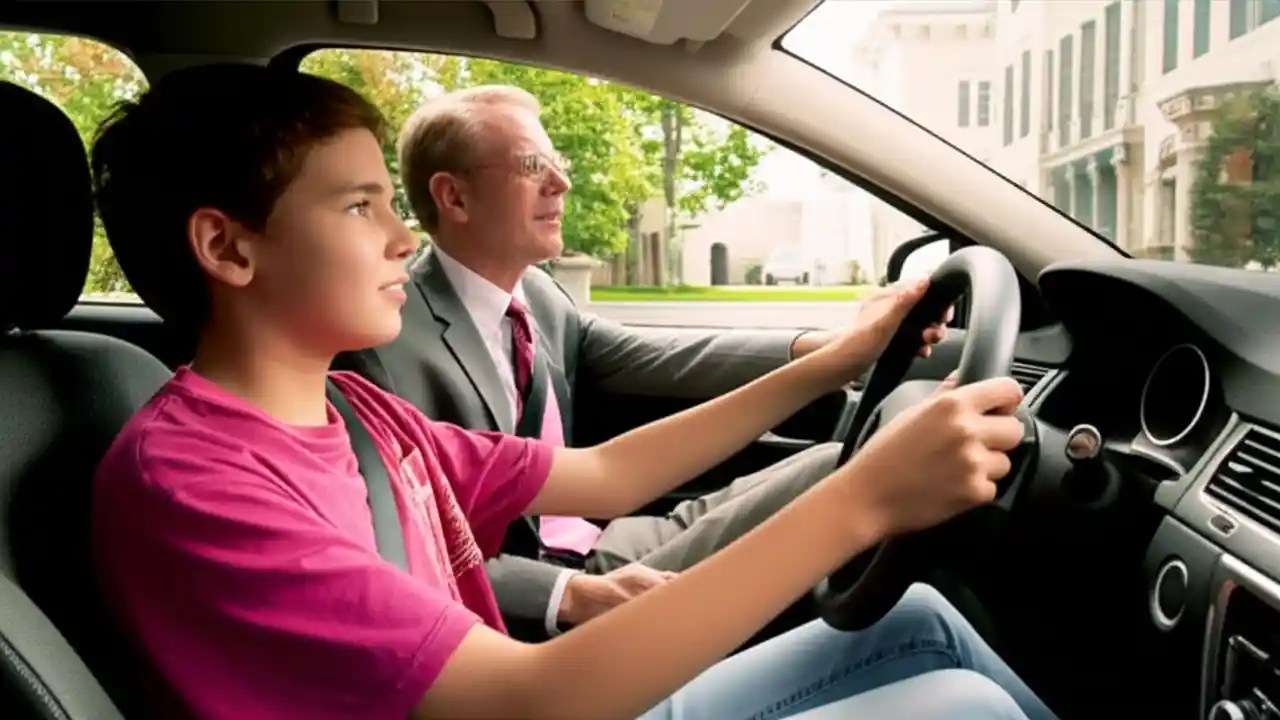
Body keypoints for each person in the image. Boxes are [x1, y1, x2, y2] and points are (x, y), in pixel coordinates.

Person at [90, 63, 1056, 720]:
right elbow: (531, 700)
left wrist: (838, 359)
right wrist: (865, 499)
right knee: (956, 706)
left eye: (393, 202)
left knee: (920, 620)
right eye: (359, 207)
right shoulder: (194, 483)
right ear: (227, 247)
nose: (402, 237)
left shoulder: (357, 410)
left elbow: (601, 475)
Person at [341, 84, 856, 637]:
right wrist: (572, 595)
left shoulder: (540, 297)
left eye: (556, 162)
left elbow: (671, 357)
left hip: (601, 540)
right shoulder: (383, 346)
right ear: (455, 198)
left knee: (833, 459)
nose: (561, 182)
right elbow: (410, 548)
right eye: (532, 165)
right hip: (545, 598)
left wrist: (830, 350)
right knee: (849, 477)